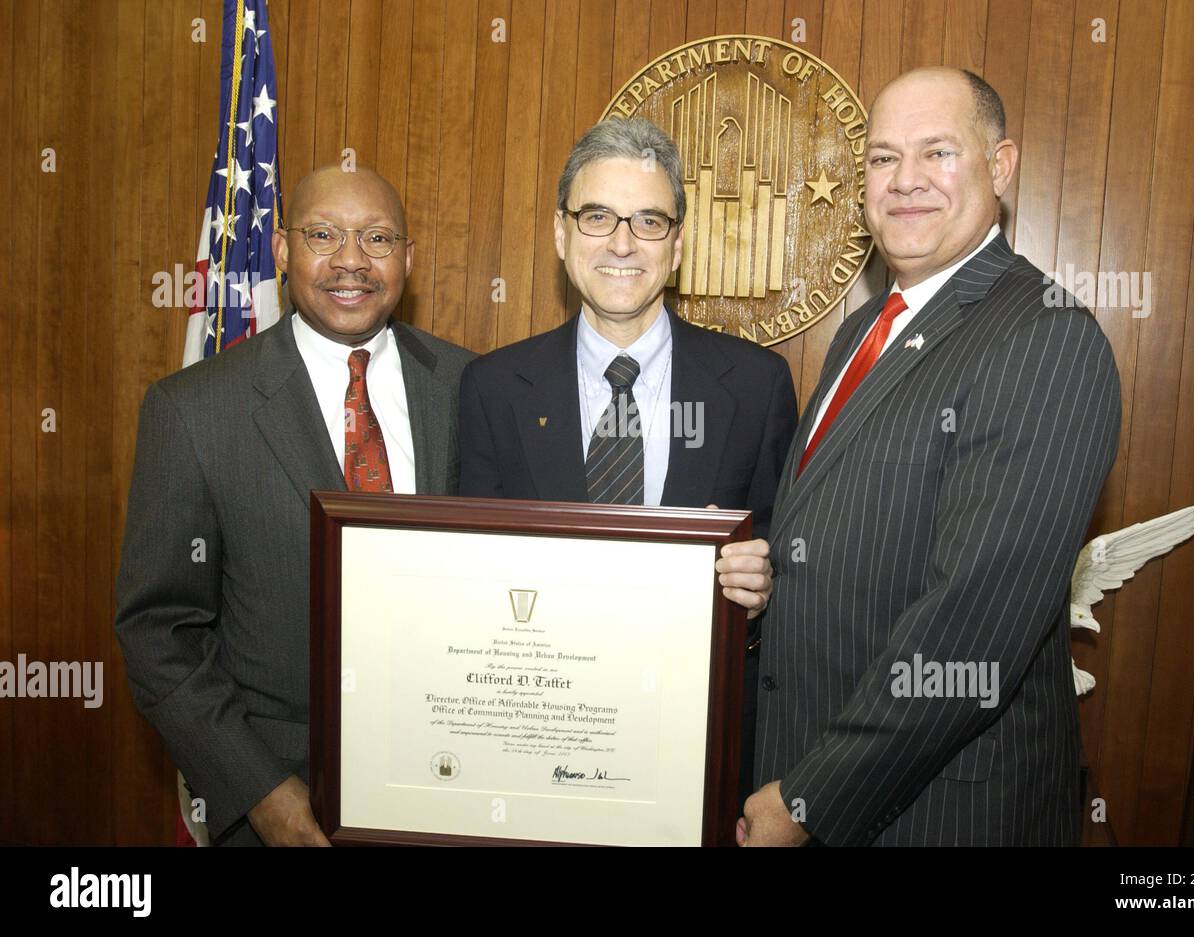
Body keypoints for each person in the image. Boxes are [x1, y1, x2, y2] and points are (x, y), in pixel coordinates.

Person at [741, 67, 1121, 846]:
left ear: (1001, 167)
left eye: (937, 152)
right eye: (883, 158)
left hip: (939, 813)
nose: (905, 179)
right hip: (815, 763)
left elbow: (972, 624)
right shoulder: (863, 332)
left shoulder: (1044, 336)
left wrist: (809, 799)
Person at [114, 166, 473, 846]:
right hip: (278, 798)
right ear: (281, 250)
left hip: (448, 785)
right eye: (323, 235)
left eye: (377, 238)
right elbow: (159, 629)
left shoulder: (471, 387)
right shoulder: (193, 410)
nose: (351, 260)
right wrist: (261, 793)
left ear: (408, 259)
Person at [458, 118, 797, 801]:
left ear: (677, 245)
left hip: (697, 744)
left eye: (648, 221)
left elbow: (787, 557)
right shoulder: (493, 387)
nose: (621, 242)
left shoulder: (756, 384)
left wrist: (762, 587)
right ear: (561, 235)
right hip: (536, 746)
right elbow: (470, 575)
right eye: (597, 216)